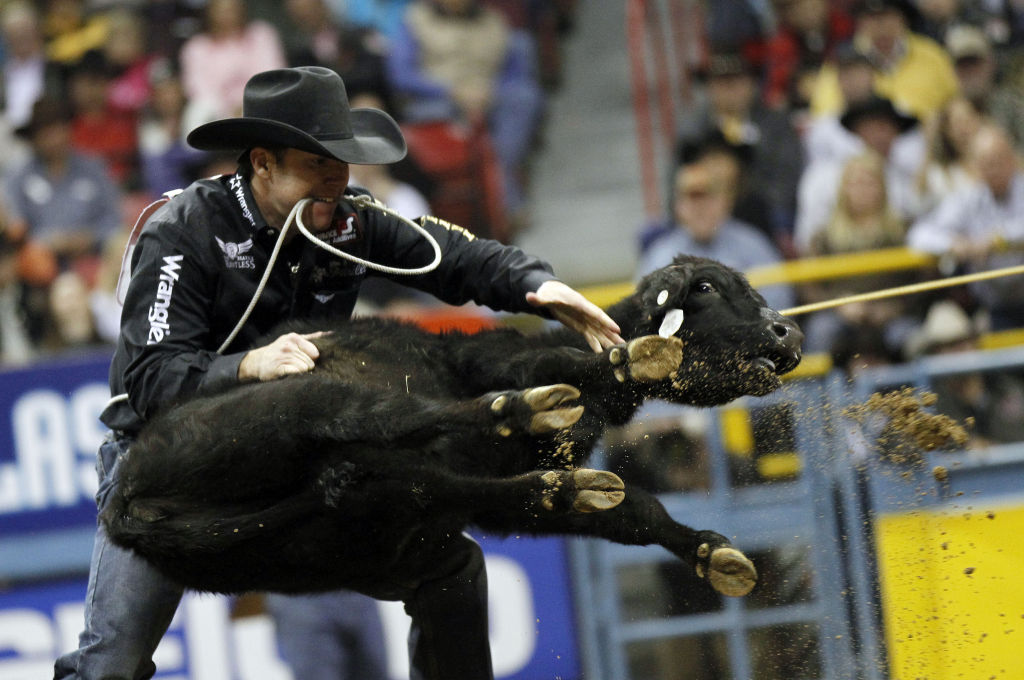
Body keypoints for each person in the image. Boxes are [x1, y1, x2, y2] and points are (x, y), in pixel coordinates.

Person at [52, 65, 623, 680]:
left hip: (296, 465)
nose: (336, 180)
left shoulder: (349, 219)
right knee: (112, 663)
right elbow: (151, 380)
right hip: (174, 474)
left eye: (341, 163)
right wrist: (248, 366)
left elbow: (452, 254)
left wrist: (538, 285)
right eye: (316, 164)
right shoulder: (182, 231)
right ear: (262, 162)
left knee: (450, 570)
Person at [636, 156, 794, 311]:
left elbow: (779, 301)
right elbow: (642, 311)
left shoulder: (754, 246)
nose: (700, 209)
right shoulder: (660, 256)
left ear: (725, 201)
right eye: (692, 200)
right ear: (678, 207)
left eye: (708, 199)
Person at [906, 123, 1024, 330]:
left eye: (998, 160)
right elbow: (918, 235)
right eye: (986, 163)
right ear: (975, 166)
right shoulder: (967, 198)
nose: (993, 169)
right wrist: (954, 244)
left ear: (1012, 159)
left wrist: (998, 239)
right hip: (993, 308)